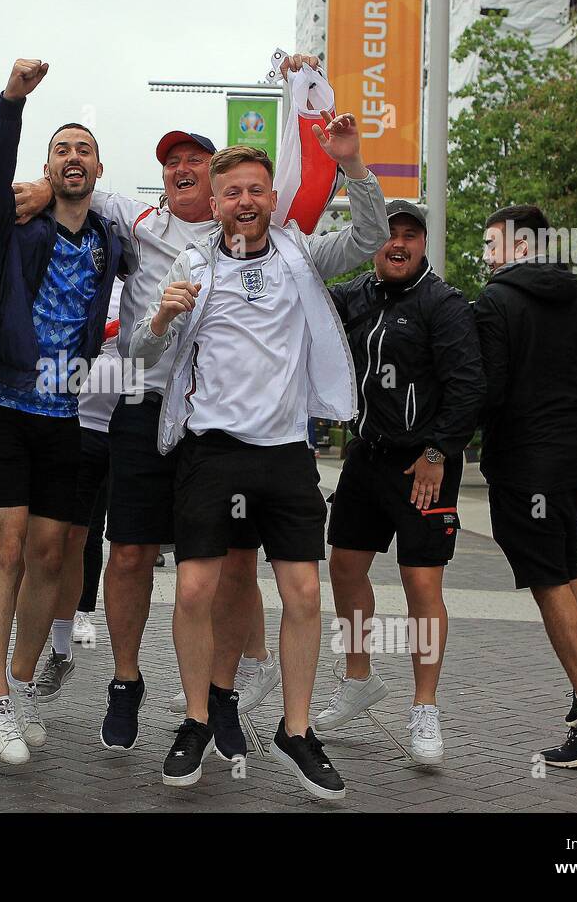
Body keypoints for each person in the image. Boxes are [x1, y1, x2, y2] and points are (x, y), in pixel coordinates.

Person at [12, 54, 331, 746]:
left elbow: (306, 182)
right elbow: (70, 184)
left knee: (229, 567)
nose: (181, 168)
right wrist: (39, 187)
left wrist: (305, 90)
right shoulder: (135, 218)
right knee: (127, 554)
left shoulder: (256, 237)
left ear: (219, 186)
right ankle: (125, 680)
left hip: (221, 422)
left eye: (194, 160)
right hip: (144, 401)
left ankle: (221, 693)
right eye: (171, 161)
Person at [130, 132, 388, 796]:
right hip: (211, 454)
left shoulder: (300, 253)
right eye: (231, 192)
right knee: (193, 592)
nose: (244, 201)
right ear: (213, 203)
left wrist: (352, 162)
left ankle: (296, 731)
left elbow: (370, 236)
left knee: (303, 595)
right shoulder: (190, 266)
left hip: (285, 456)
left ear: (271, 199)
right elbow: (144, 355)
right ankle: (194, 720)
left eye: (254, 190)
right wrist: (160, 318)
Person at [0, 59, 130, 765]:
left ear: (97, 168)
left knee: (54, 554)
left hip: (63, 413)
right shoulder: (16, 223)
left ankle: (25, 684)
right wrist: (11, 102)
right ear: (45, 164)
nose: (72, 158)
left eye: (83, 149)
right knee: (4, 548)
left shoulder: (108, 240)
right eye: (61, 149)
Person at [316, 200, 485, 763]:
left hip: (425, 464)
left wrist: (438, 453)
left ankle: (425, 709)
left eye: (410, 235)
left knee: (421, 587)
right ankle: (359, 679)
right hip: (366, 456)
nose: (398, 243)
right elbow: (303, 308)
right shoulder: (355, 295)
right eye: (389, 234)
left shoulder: (445, 304)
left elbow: (468, 391)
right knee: (343, 568)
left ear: (423, 246)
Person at [474, 203, 577, 768]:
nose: (485, 256)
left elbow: (487, 393)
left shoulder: (496, 302)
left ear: (521, 248)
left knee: (549, 581)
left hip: (523, 471)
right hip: (569, 468)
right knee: (566, 572)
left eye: (492, 244)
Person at [33, 279, 124, 702]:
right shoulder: (84, 277)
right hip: (80, 426)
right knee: (66, 539)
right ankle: (61, 649)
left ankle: (139, 684)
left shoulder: (168, 269)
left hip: (143, 432)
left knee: (135, 553)